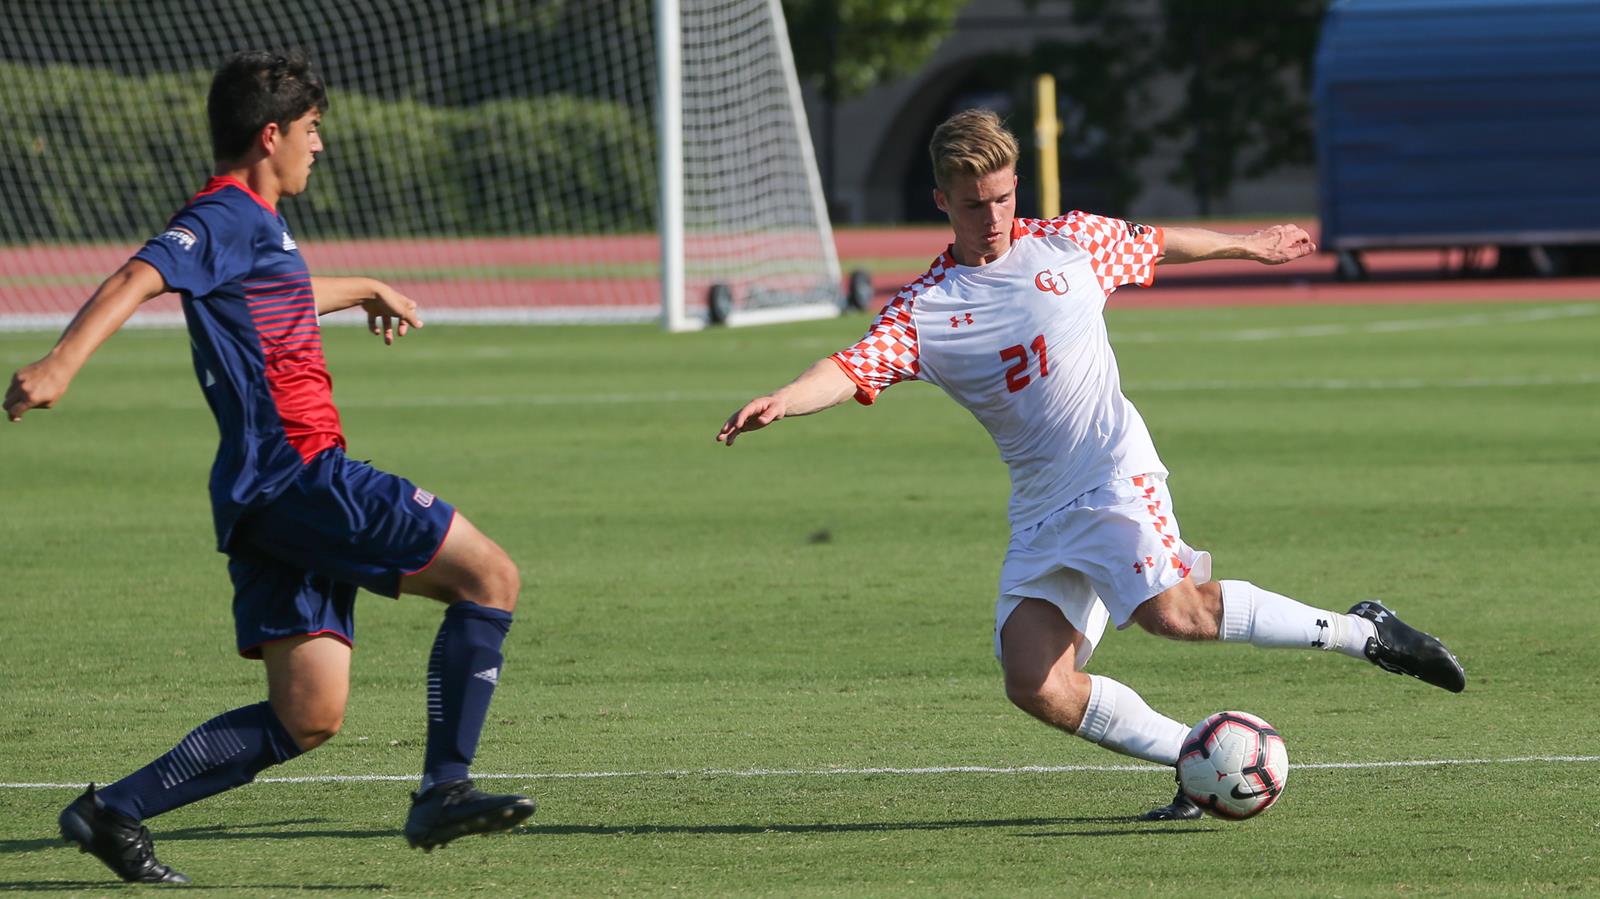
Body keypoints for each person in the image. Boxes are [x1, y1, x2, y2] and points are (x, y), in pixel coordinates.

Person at [716, 109, 1465, 821]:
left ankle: (1363, 631)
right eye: (975, 204)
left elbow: (1163, 240)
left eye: (1005, 197)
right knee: (1035, 682)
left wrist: (1248, 244)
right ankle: (1193, 757)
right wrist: (786, 396)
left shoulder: (1073, 243)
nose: (995, 218)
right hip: (1042, 506)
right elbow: (850, 366)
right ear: (942, 200)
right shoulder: (926, 310)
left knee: (1175, 612)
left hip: (1112, 470)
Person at [5, 49, 534, 884]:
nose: (320, 146)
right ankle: (444, 786)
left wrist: (365, 287)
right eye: (314, 129)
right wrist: (60, 365)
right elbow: (139, 274)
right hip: (300, 473)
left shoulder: (260, 225)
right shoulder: (223, 213)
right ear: (272, 132)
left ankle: (112, 812)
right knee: (490, 577)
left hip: (263, 496)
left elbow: (276, 289)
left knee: (308, 714)